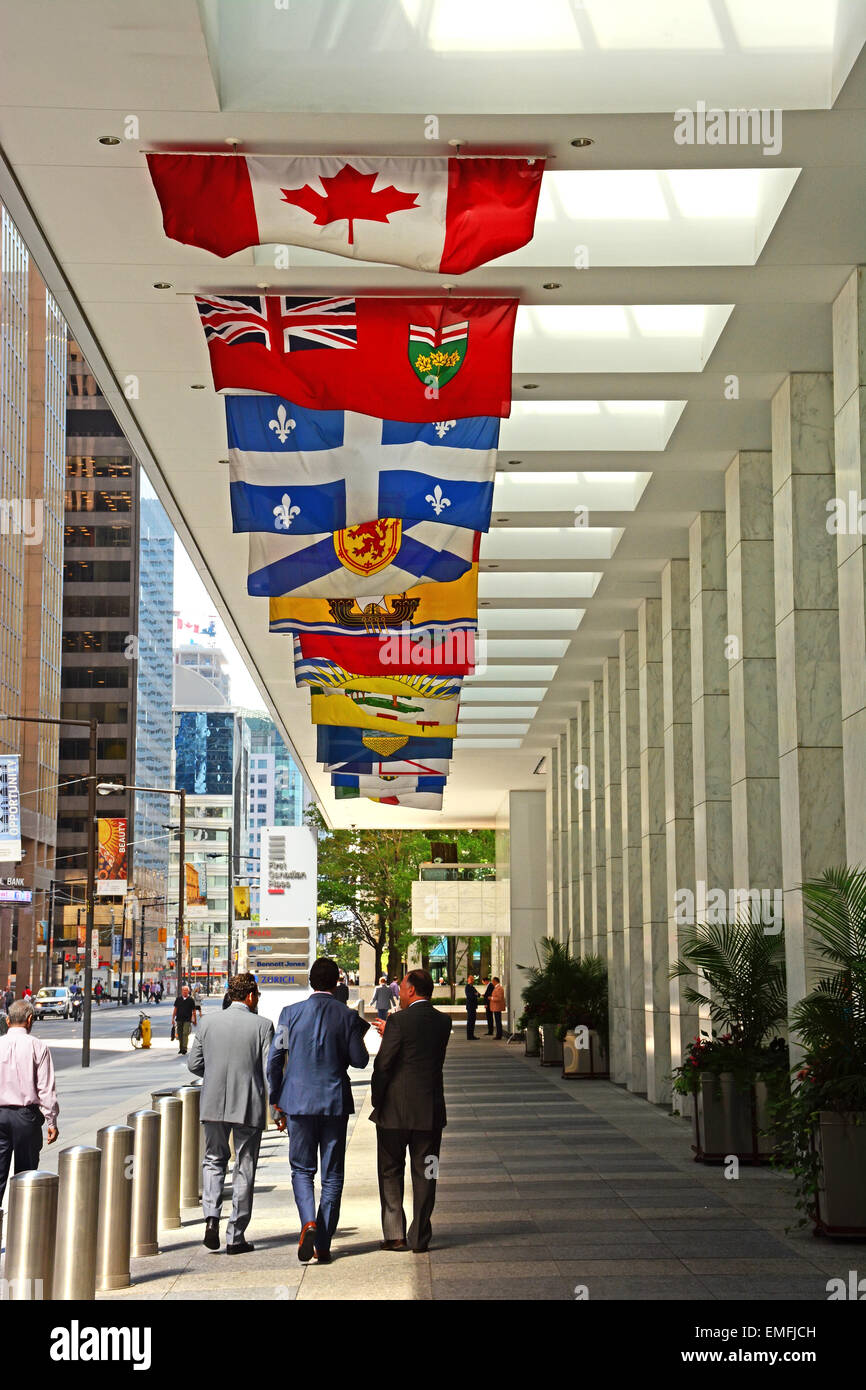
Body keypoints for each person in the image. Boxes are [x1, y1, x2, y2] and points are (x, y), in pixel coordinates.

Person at [267, 957, 369, 1264]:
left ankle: (308, 1222)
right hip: (334, 1102)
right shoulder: (346, 1015)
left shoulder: (289, 1013)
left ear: (311, 981)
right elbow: (360, 1060)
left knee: (301, 1169)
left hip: (297, 1102)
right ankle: (323, 1241)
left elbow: (274, 1059)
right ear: (337, 982)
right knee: (333, 1174)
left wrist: (276, 1098)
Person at [187, 972, 274, 1255]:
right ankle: (236, 1235)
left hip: (212, 1102)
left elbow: (194, 1064)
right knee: (244, 1165)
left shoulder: (208, 1022)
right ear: (250, 996)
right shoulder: (262, 1025)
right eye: (257, 995)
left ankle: (211, 1218)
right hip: (247, 1104)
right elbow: (268, 1072)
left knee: (213, 1160)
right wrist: (276, 1108)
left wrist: (213, 1075)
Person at [369, 969, 451, 1254]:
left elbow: (383, 1065)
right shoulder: (443, 1021)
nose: (399, 994)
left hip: (394, 1112)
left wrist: (377, 1098)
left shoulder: (398, 1021)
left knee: (390, 1170)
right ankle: (419, 1236)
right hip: (429, 1111)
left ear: (412, 990)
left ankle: (395, 1235)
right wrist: (391, 1032)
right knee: (427, 1172)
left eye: (401, 989)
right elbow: (419, 1051)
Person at [0, 1000, 59, 1204]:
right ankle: (22, 1224)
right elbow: (45, 1088)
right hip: (26, 1116)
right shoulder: (38, 1046)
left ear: (8, 1021)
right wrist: (51, 1121)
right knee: (26, 1177)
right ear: (30, 1020)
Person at [172, 983, 198, 1055]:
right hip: (179, 1019)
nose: (185, 992)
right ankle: (181, 1048)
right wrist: (173, 1019)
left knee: (185, 1033)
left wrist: (194, 1020)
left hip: (187, 1019)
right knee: (180, 1034)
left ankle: (184, 1048)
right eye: (183, 990)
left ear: (188, 991)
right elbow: (175, 1009)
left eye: (186, 990)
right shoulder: (178, 999)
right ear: (182, 991)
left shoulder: (191, 1000)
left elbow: (194, 1011)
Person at [464, 976, 480, 1041]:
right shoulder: (467, 987)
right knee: (470, 1021)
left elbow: (478, 994)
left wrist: (476, 994)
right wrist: (475, 994)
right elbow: (469, 996)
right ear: (468, 980)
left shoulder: (473, 987)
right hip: (470, 1006)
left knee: (473, 1021)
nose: (473, 980)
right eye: (471, 979)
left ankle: (472, 1035)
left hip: (473, 1007)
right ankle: (469, 1036)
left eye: (473, 979)